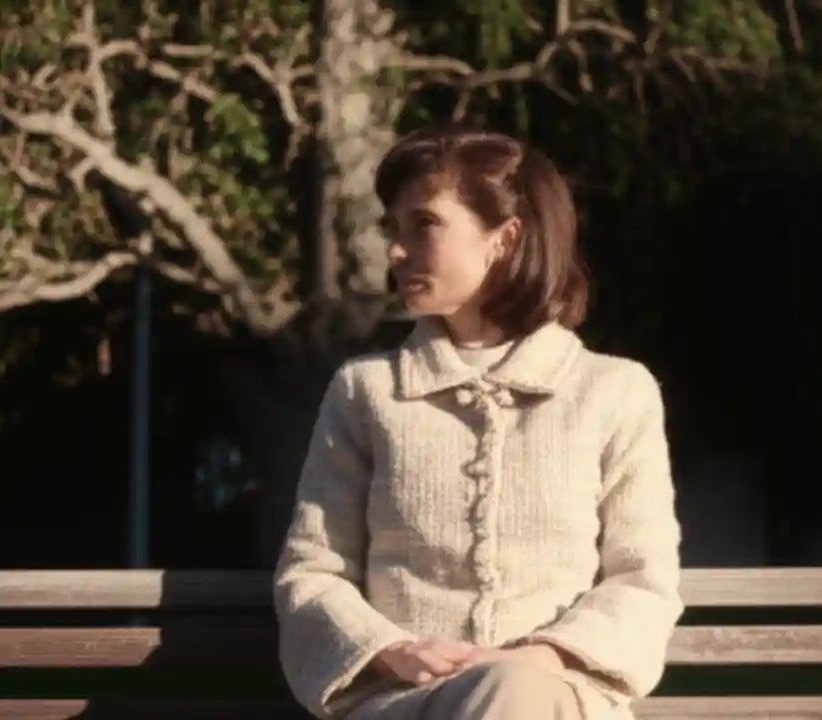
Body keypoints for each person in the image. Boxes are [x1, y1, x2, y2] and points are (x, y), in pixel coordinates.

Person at [272, 126, 685, 720]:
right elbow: (315, 571)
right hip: (406, 704)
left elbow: (642, 577)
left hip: (559, 698)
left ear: (504, 238)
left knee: (515, 694)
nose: (396, 251)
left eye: (424, 224)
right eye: (393, 229)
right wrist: (392, 651)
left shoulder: (613, 393)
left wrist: (541, 657)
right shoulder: (367, 392)